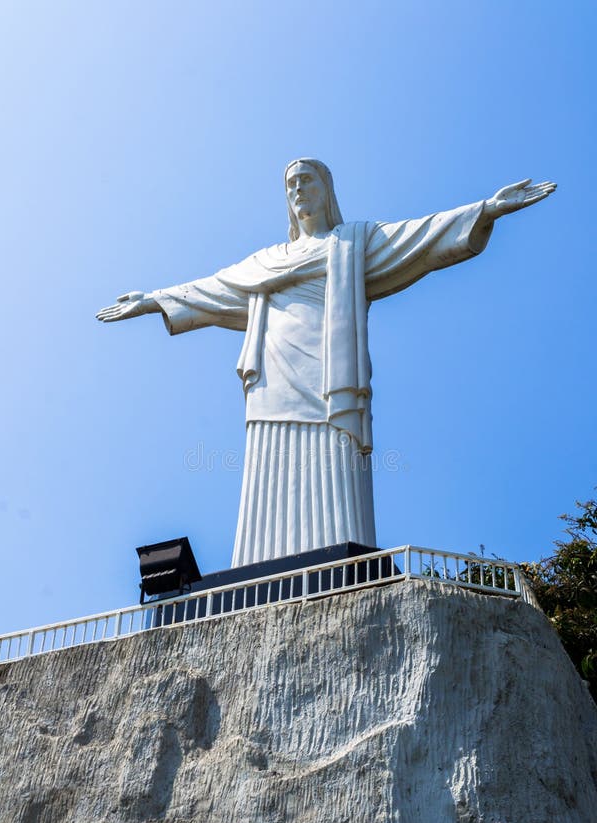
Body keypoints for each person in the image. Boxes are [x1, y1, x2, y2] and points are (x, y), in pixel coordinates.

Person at [96, 159, 555, 566]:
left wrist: (484, 209)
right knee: (270, 465)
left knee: (334, 459)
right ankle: (259, 562)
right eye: (290, 184)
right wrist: (154, 300)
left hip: (330, 371)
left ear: (326, 190)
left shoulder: (352, 242)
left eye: (307, 180)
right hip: (273, 373)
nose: (297, 189)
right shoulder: (266, 262)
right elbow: (210, 289)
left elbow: (420, 236)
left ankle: (340, 552)